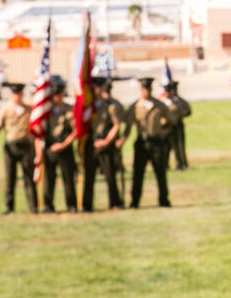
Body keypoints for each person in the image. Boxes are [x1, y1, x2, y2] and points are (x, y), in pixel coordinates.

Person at [0, 82, 37, 214]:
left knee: (29, 178)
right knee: (10, 178)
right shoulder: (5, 110)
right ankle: (9, 206)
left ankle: (33, 206)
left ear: (22, 94)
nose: (17, 96)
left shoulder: (29, 109)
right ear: (11, 95)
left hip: (26, 145)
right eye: (15, 94)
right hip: (11, 146)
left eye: (19, 94)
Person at [125, 77, 174, 208]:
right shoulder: (135, 106)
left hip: (156, 142)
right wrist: (122, 139)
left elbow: (170, 120)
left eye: (148, 89)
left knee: (160, 172)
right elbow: (128, 125)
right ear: (141, 90)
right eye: (144, 89)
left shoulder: (159, 105)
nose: (146, 91)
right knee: (138, 174)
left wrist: (162, 130)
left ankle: (164, 200)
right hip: (141, 142)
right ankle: (135, 201)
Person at [83, 77, 125, 210]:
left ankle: (114, 203)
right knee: (89, 177)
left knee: (110, 175)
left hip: (106, 143)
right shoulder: (86, 106)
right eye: (93, 87)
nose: (96, 90)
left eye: (98, 87)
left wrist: (106, 141)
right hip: (90, 143)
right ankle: (87, 205)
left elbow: (116, 126)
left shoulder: (110, 105)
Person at [41, 79, 78, 213]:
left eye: (59, 94)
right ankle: (48, 205)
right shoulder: (45, 110)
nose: (56, 97)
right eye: (54, 95)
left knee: (68, 178)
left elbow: (75, 131)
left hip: (65, 146)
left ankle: (71, 205)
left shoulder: (69, 109)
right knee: (49, 178)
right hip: (50, 146)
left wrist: (63, 144)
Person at [163, 80, 193, 170]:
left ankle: (181, 164)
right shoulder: (163, 101)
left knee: (179, 146)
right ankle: (165, 164)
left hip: (177, 124)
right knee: (165, 147)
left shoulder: (178, 100)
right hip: (166, 126)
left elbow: (187, 111)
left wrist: (181, 115)